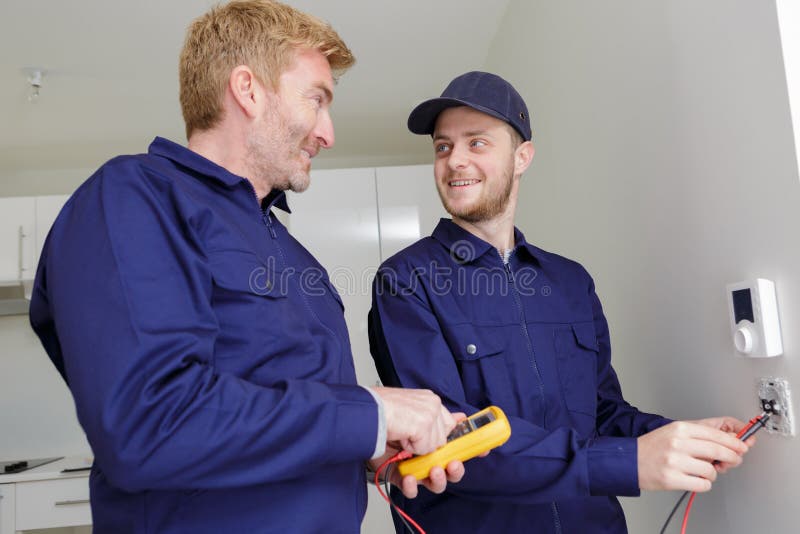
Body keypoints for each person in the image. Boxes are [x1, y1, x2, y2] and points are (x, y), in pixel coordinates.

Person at [28, 2, 464, 532]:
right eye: (317, 99)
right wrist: (370, 414)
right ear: (248, 89)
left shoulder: (296, 256)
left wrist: (372, 446)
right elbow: (151, 422)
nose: (328, 133)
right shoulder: (132, 198)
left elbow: (282, 418)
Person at [368, 71, 754, 533]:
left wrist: (676, 439)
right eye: (443, 147)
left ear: (523, 156)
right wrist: (629, 462)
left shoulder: (570, 281)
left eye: (477, 143)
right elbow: (447, 440)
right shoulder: (406, 279)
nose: (455, 162)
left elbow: (604, 412)